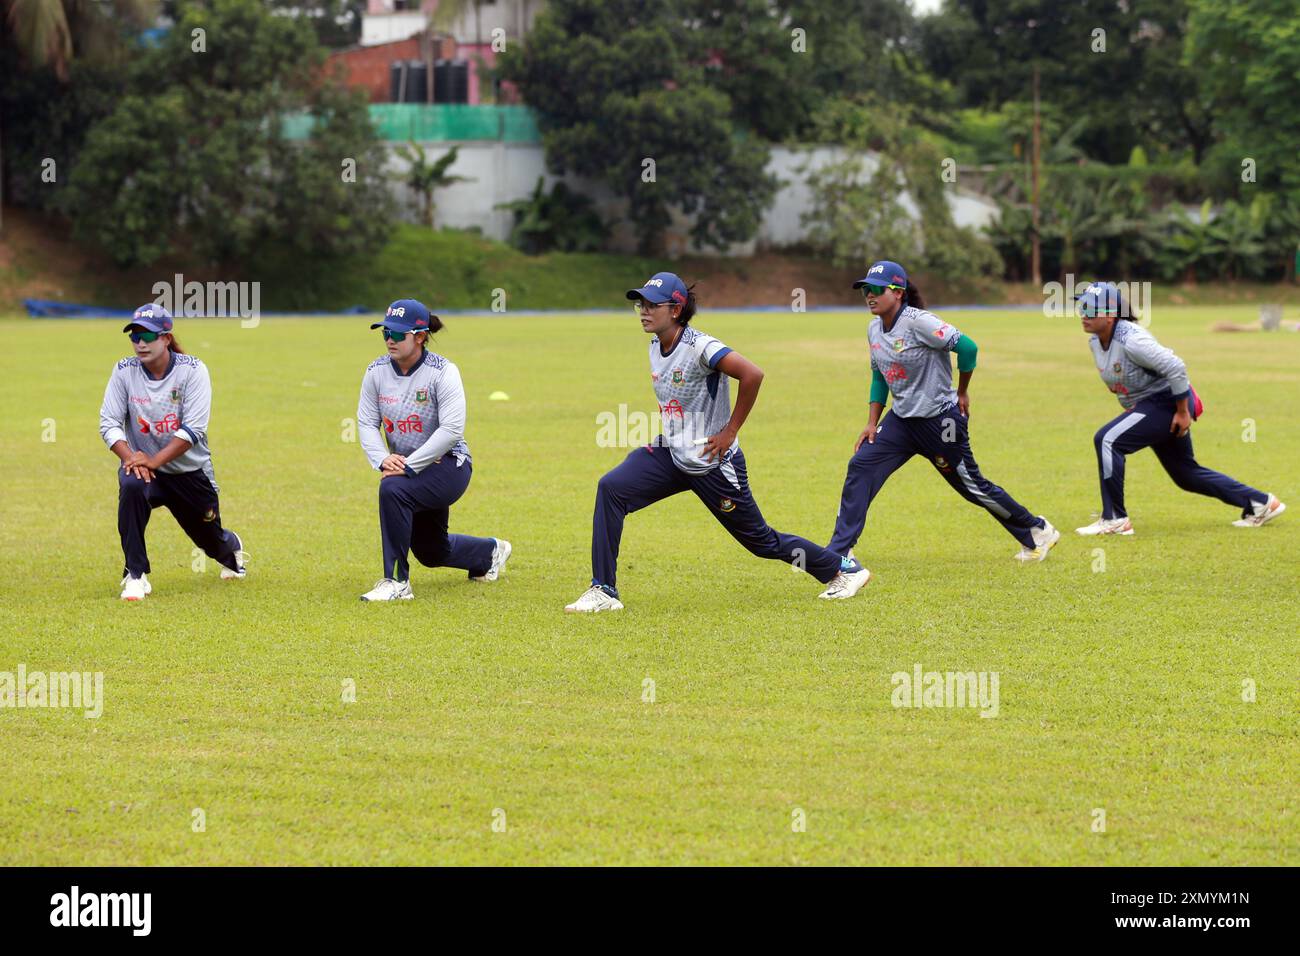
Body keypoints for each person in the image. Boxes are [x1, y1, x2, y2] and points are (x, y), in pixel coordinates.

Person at [565, 272, 868, 613]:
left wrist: (730, 431)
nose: (643, 311)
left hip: (713, 462)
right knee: (612, 488)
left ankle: (843, 570)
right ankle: (604, 589)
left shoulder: (701, 347)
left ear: (676, 310)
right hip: (672, 453)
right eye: (641, 304)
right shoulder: (655, 345)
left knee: (762, 541)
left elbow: (753, 374)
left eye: (653, 305)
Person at [827, 260, 1059, 572]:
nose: (869, 295)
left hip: (940, 421)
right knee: (861, 466)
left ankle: (1037, 531)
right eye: (865, 290)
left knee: (972, 488)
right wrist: (871, 422)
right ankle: (841, 551)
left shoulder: (920, 322)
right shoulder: (873, 328)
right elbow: (879, 377)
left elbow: (968, 348)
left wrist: (961, 392)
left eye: (876, 289)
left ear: (897, 292)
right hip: (901, 422)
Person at [1074, 281, 1285, 534]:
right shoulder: (1096, 342)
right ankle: (1261, 503)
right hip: (1151, 406)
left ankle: (1115, 519)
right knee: (1186, 475)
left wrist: (1183, 412)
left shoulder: (1132, 339)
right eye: (1081, 307)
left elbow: (1175, 367)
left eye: (1090, 309)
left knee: (1107, 439)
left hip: (1167, 403)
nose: (1083, 315)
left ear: (1110, 315)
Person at [356, 298, 511, 601]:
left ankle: (397, 582)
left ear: (420, 336)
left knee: (393, 490)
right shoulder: (375, 372)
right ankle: (489, 553)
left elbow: (452, 430)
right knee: (431, 551)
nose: (390, 339)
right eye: (385, 332)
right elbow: (365, 422)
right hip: (406, 469)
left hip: (449, 465)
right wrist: (384, 460)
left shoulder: (443, 371)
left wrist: (409, 466)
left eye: (398, 334)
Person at [99, 304, 248, 601]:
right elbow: (109, 422)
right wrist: (131, 458)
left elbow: (193, 430)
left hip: (189, 473)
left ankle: (230, 548)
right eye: (135, 336)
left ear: (166, 338)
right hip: (145, 471)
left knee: (210, 541)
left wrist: (153, 459)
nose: (140, 342)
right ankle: (136, 575)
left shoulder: (193, 371)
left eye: (148, 336)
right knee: (131, 487)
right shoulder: (124, 371)